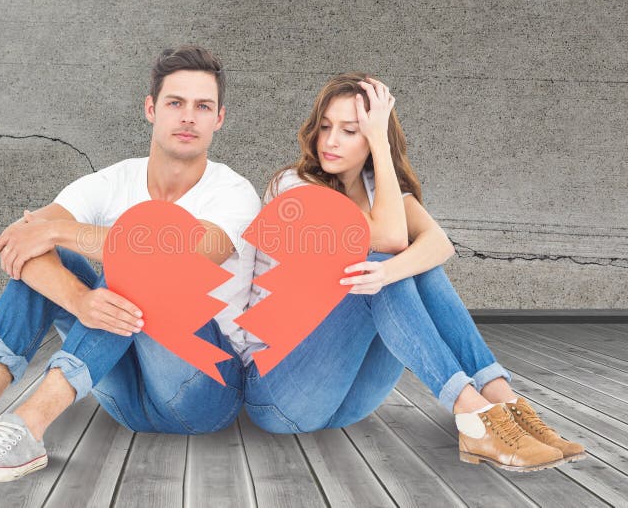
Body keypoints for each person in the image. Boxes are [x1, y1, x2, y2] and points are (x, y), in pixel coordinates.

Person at [0, 45, 261, 482]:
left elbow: (184, 251)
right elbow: (20, 242)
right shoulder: (112, 181)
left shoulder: (234, 193)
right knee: (52, 257)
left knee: (142, 255)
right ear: (151, 109)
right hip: (121, 395)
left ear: (219, 119)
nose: (188, 117)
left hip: (203, 389)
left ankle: (28, 427)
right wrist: (79, 299)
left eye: (202, 106)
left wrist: (57, 231)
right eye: (176, 103)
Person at [239, 72, 585, 472]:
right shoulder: (295, 187)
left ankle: (503, 398)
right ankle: (472, 413)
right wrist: (381, 148)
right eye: (326, 127)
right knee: (384, 267)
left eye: (351, 130)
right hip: (276, 392)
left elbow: (439, 246)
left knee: (412, 266)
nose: (330, 141)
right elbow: (388, 239)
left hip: (349, 401)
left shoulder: (377, 188)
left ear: (373, 138)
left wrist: (380, 153)